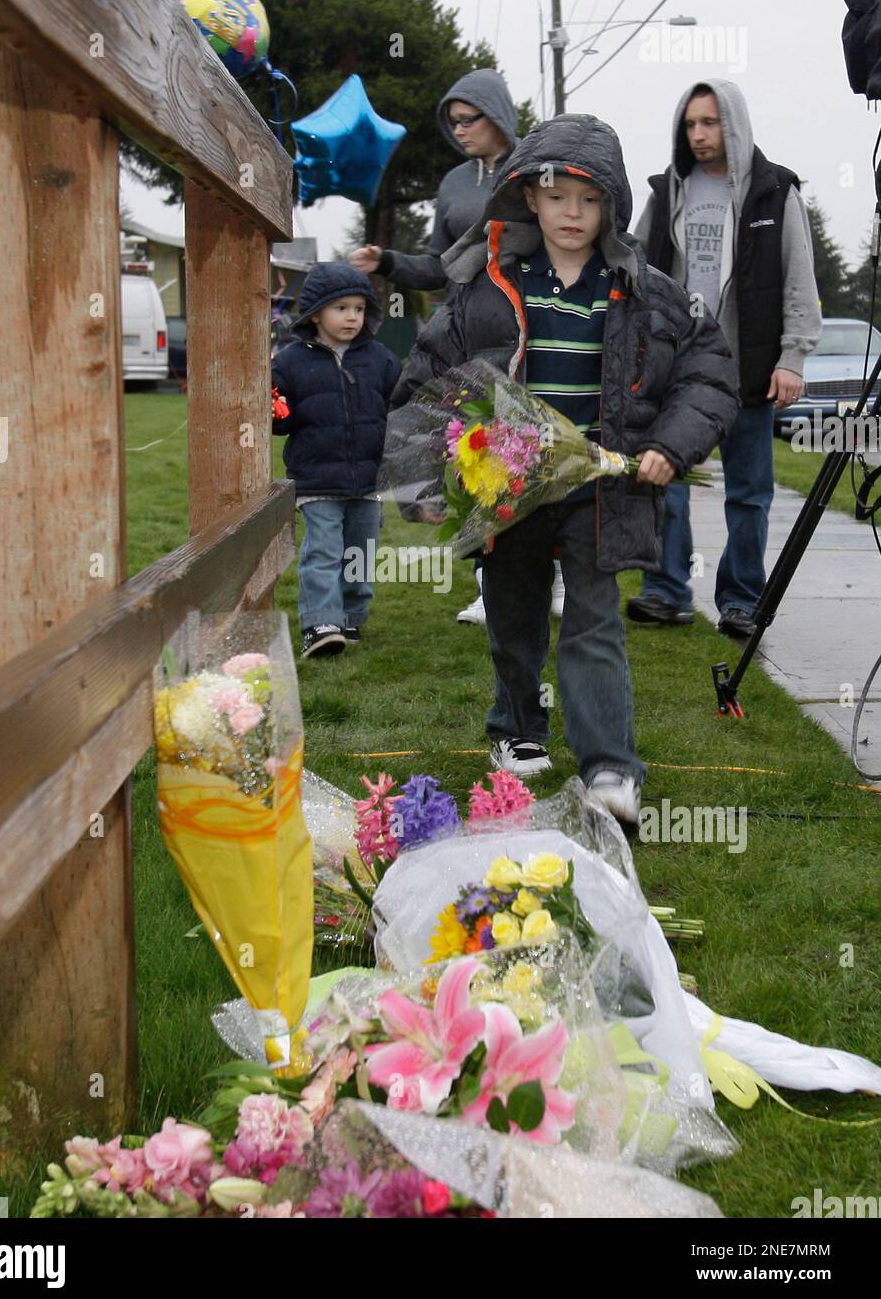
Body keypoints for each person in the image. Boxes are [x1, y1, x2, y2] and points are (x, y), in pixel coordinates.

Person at [391, 114, 738, 822]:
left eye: (587, 199)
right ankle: (518, 733)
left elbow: (709, 371)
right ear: (528, 199)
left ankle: (610, 768)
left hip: (602, 491)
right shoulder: (486, 286)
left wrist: (669, 447)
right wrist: (424, 481)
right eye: (555, 198)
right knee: (512, 618)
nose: (571, 213)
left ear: (609, 205)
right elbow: (425, 378)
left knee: (593, 624)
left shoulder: (646, 291)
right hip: (507, 493)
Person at [351, 69, 566, 624]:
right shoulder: (452, 184)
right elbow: (439, 266)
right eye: (453, 122)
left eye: (469, 119)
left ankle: (557, 576)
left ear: (498, 114)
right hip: (470, 334)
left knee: (538, 449)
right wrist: (388, 262)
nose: (460, 130)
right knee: (478, 454)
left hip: (532, 325)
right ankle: (489, 582)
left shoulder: (534, 168)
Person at [627, 80, 821, 637]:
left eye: (709, 123)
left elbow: (799, 280)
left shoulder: (773, 191)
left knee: (749, 491)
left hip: (749, 367)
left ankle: (740, 601)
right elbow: (636, 267)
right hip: (679, 369)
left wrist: (793, 357)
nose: (699, 134)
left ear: (732, 123)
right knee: (666, 477)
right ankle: (667, 591)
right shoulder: (667, 192)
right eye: (691, 124)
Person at [272, 263, 401, 659]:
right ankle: (320, 623)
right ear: (316, 313)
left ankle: (350, 615)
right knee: (324, 550)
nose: (351, 317)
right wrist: (275, 410)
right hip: (316, 478)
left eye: (359, 309)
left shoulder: (379, 358)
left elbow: (400, 404)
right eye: (341, 308)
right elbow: (281, 420)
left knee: (360, 552)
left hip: (368, 478)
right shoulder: (291, 361)